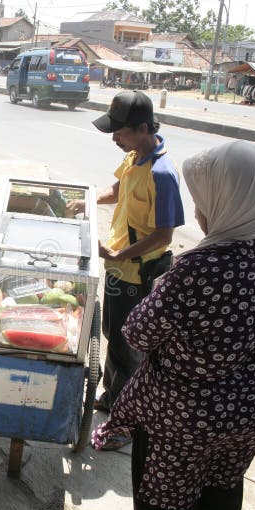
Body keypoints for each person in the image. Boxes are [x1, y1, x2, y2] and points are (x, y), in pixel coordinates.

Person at [92, 140, 255, 510]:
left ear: (230, 202)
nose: (200, 213)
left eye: (204, 202)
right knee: (222, 490)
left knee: (165, 506)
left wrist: (159, 290)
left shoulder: (200, 269)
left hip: (186, 420)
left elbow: (138, 333)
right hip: (254, 410)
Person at [70, 90, 184, 449]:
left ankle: (126, 425)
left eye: (120, 133)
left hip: (140, 273)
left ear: (144, 128)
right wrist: (87, 201)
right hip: (120, 267)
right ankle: (112, 396)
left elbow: (164, 235)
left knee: (131, 346)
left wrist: (120, 254)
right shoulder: (135, 156)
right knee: (113, 334)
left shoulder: (163, 174)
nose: (115, 139)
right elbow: (119, 189)